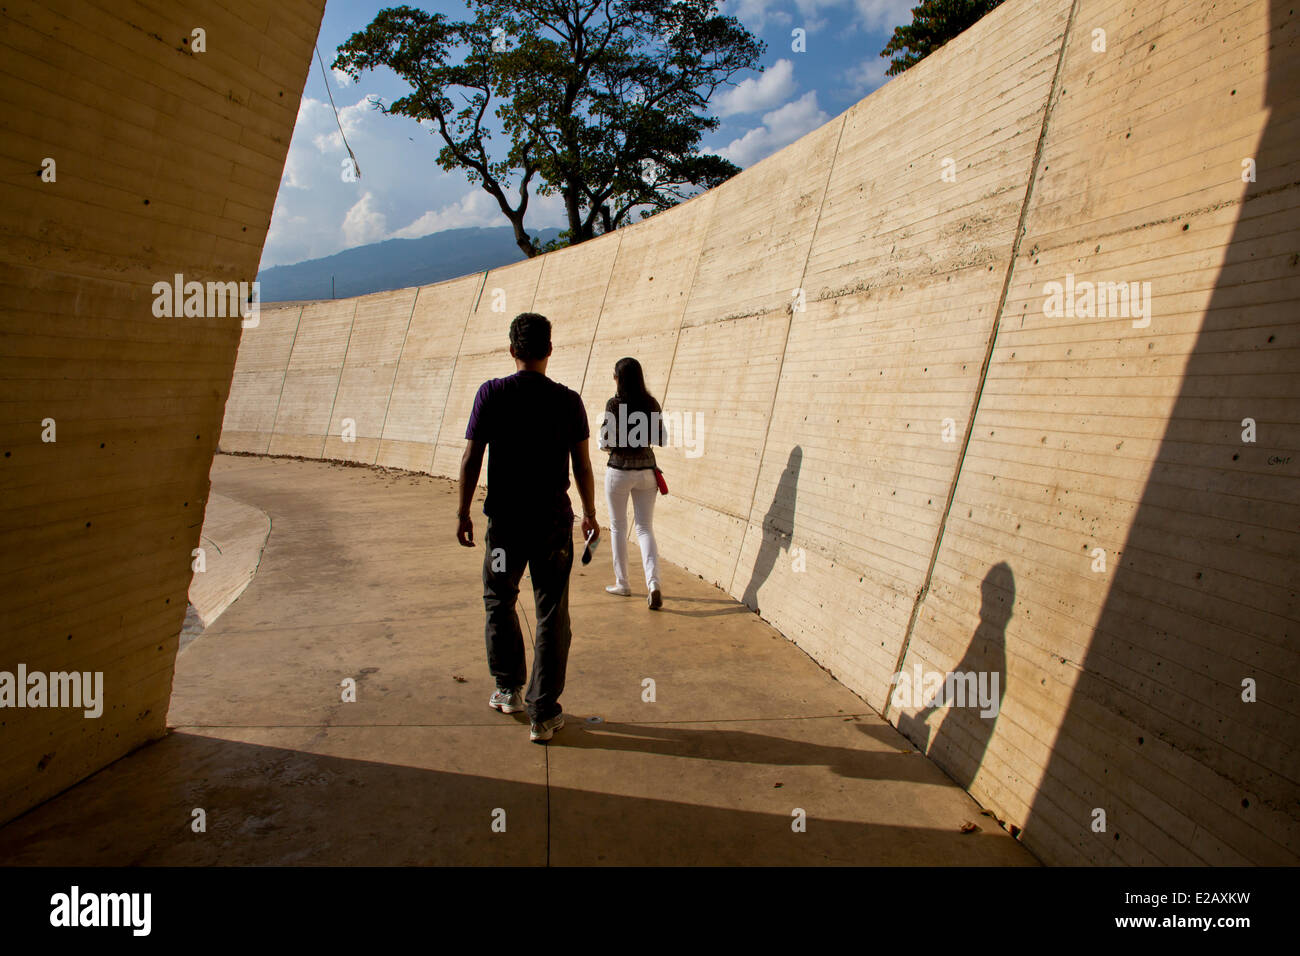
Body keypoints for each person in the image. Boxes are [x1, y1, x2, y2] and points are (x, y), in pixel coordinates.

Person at [456, 313, 600, 743]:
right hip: (553, 522)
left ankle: (507, 688)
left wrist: (463, 511)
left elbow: (471, 458)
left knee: (499, 599)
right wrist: (590, 513)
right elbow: (582, 465)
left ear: (512, 350)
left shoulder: (492, 394)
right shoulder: (568, 401)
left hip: (505, 523)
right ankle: (544, 712)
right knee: (551, 611)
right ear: (549, 350)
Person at [599, 357, 665, 610]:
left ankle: (622, 583)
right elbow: (659, 436)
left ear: (619, 378)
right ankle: (654, 584)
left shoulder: (614, 404)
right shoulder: (651, 403)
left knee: (618, 526)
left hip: (619, 470)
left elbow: (607, 440)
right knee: (645, 528)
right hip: (647, 470)